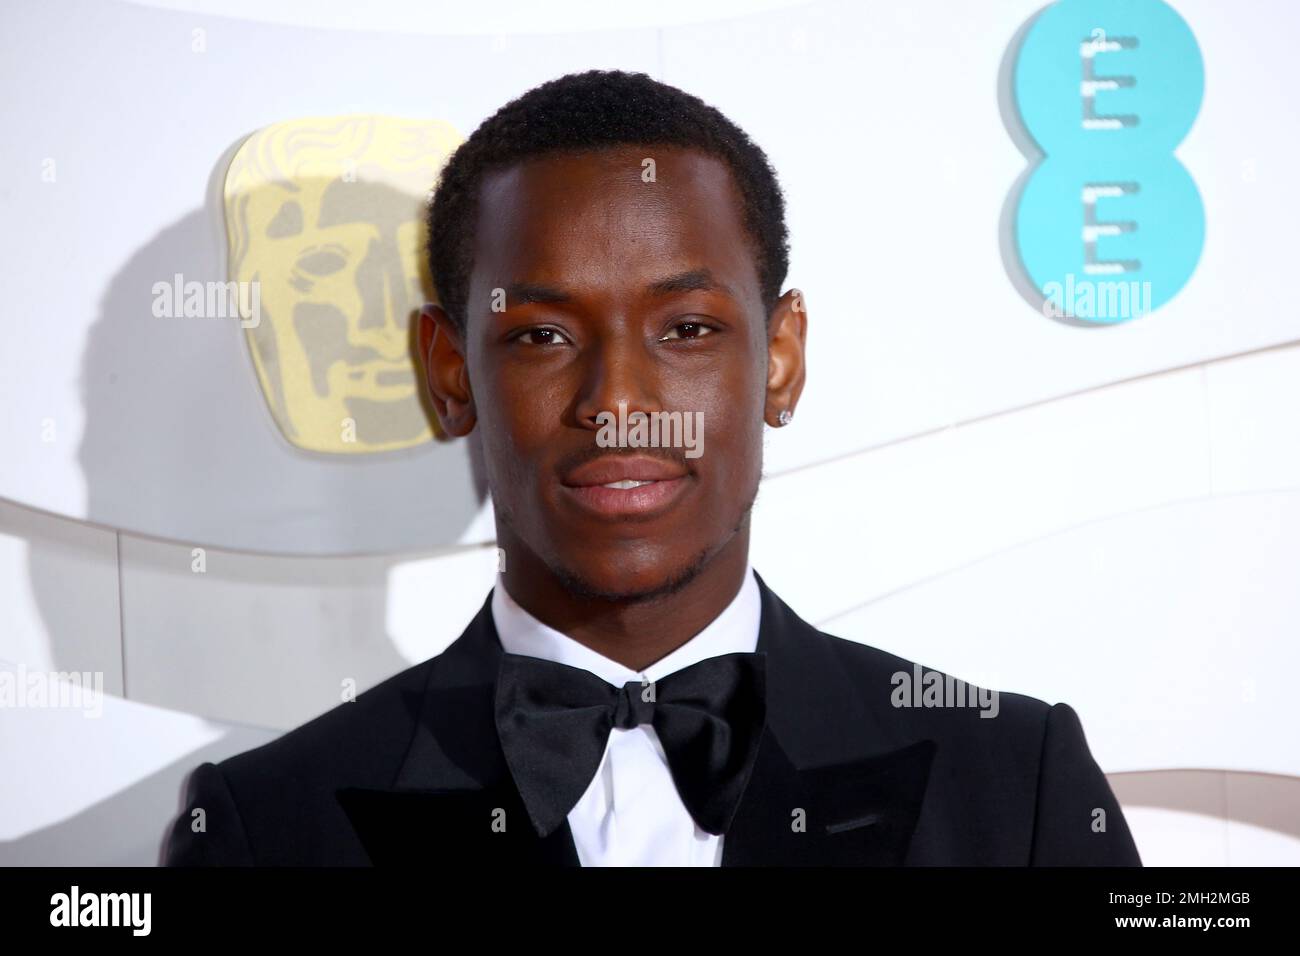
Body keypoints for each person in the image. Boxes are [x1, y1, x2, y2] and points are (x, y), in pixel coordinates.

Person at [163, 69, 1140, 867]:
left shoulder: (1015, 787)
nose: (620, 401)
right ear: (450, 372)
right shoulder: (270, 830)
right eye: (542, 333)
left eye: (686, 328)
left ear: (781, 357)